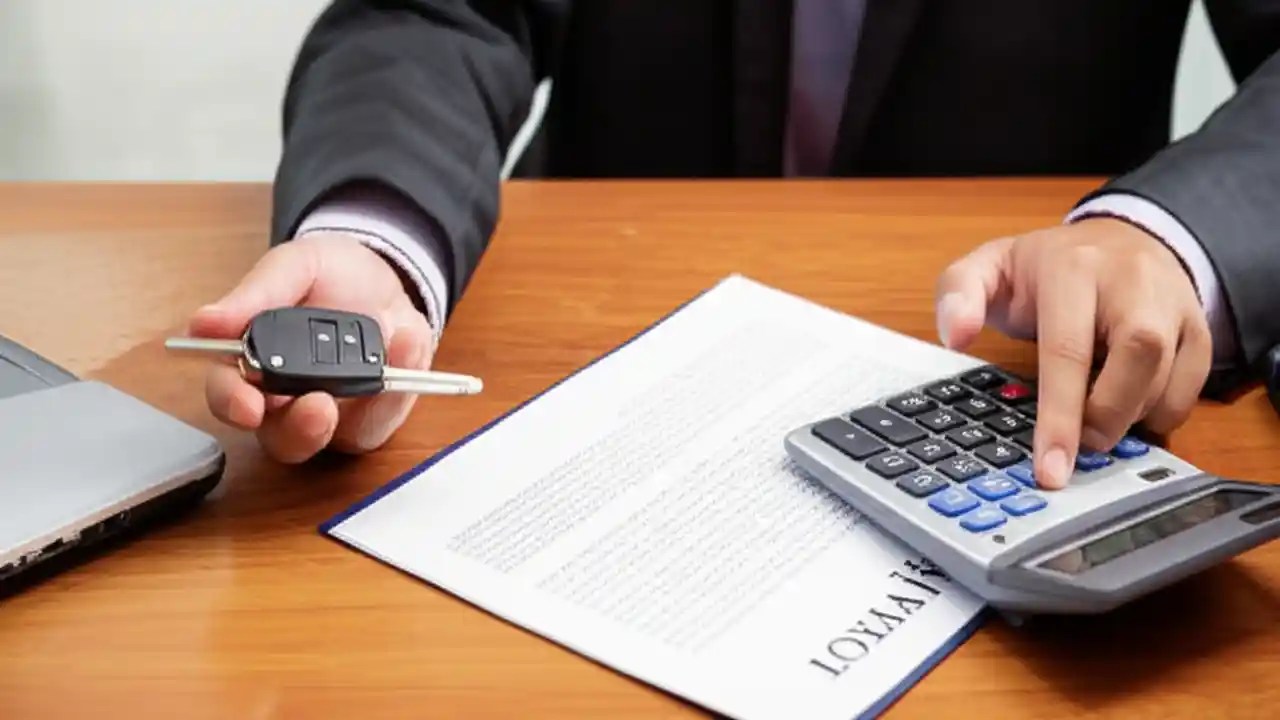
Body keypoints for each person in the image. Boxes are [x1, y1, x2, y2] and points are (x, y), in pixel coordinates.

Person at [189, 1, 1280, 491]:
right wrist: (381, 253)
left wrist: (1169, 239)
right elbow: (432, 13)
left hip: (1008, 380)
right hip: (594, 377)